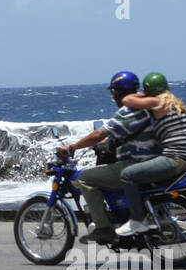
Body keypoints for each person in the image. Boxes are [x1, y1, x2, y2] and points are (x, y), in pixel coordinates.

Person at [56, 71, 162, 245]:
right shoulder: (149, 110)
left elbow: (98, 134)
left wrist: (72, 147)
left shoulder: (127, 111)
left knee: (85, 178)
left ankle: (103, 229)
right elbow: (124, 133)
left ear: (117, 93)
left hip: (133, 165)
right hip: (155, 163)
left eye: (113, 92)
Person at [112, 72, 186, 236]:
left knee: (127, 175)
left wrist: (139, 93)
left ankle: (137, 221)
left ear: (148, 90)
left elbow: (127, 100)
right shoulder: (174, 103)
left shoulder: (157, 101)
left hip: (176, 158)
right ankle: (160, 214)